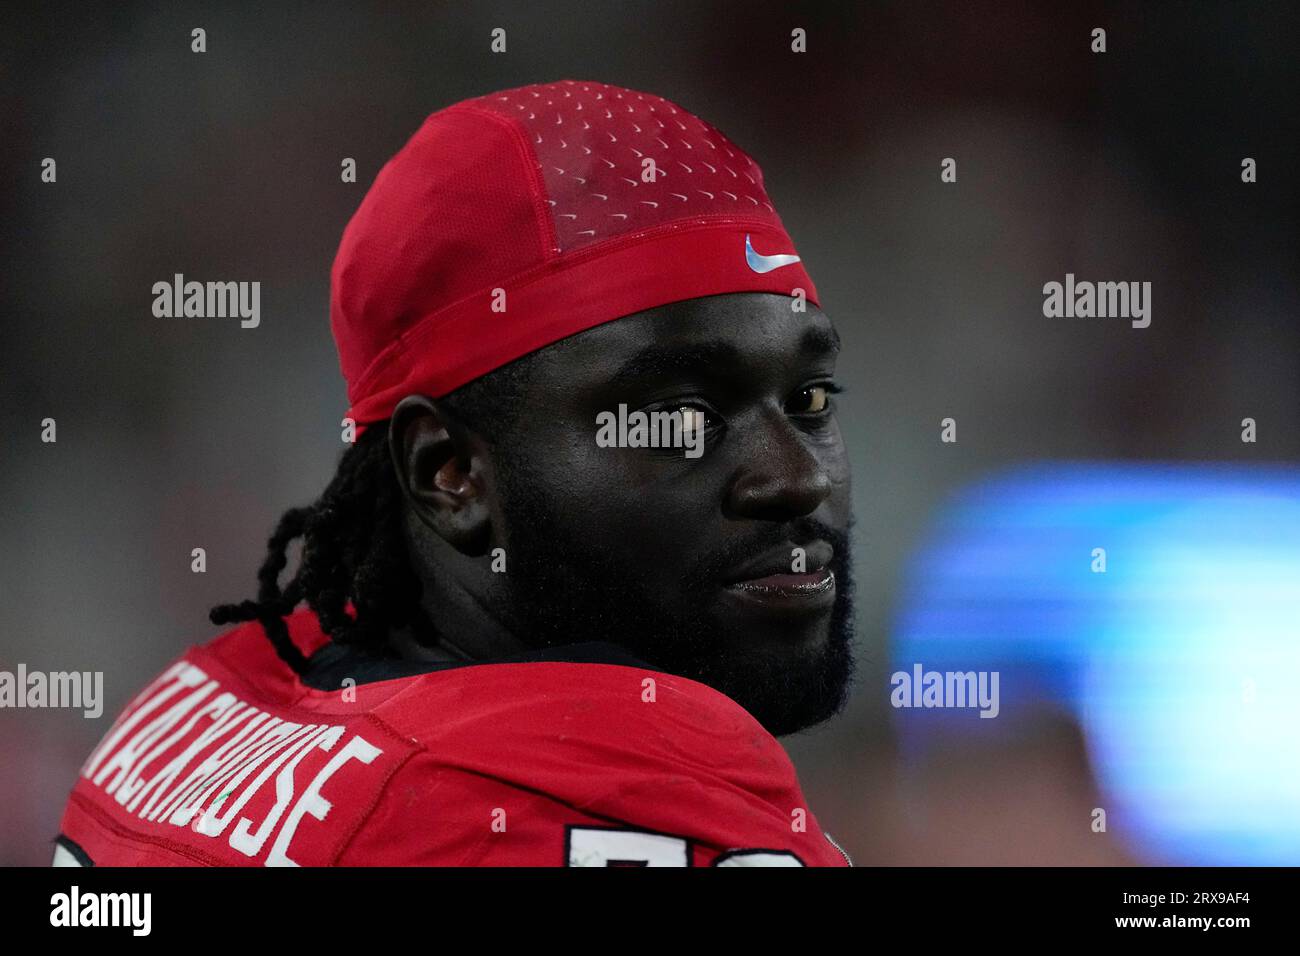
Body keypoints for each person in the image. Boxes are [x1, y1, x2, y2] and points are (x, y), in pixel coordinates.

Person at [54, 79, 856, 866]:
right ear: (450, 472)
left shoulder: (205, 705)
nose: (795, 479)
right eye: (681, 419)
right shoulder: (589, 803)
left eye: (810, 400)